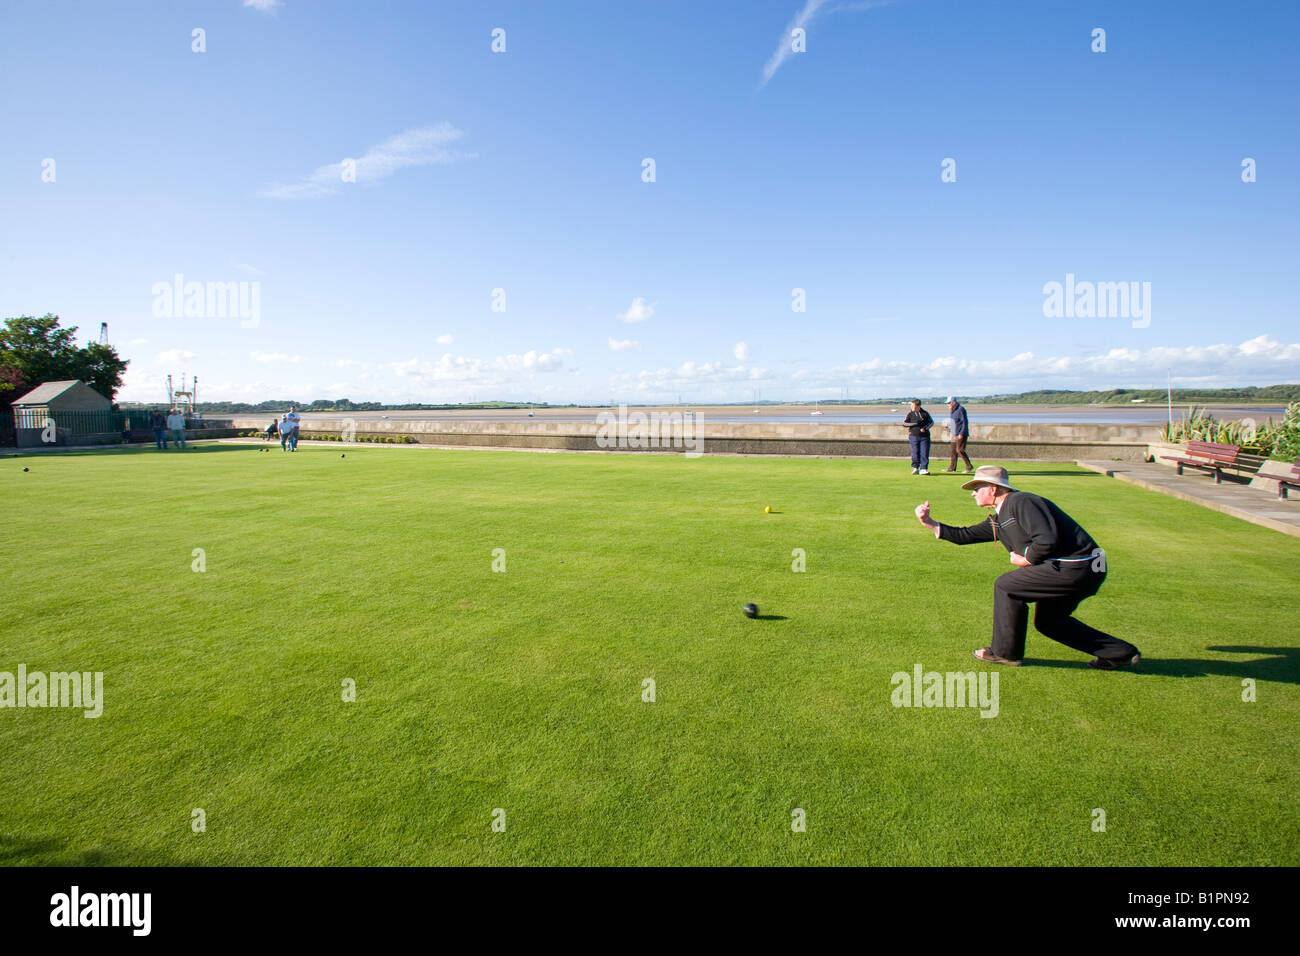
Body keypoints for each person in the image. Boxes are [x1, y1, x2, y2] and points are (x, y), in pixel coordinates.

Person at [913, 465, 1141, 670]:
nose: (973, 492)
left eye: (977, 487)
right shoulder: (999, 519)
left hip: (1080, 566)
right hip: (1080, 569)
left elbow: (1046, 539)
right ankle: (1119, 652)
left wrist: (1025, 560)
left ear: (993, 489)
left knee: (1006, 586)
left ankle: (1004, 653)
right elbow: (964, 535)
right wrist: (929, 523)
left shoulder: (1021, 502)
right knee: (1049, 623)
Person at [902, 399, 933, 475]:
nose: (912, 407)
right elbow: (905, 423)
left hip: (925, 437)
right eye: (911, 405)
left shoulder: (925, 414)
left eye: (913, 406)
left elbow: (931, 422)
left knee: (924, 452)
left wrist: (925, 428)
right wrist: (914, 424)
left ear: (918, 406)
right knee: (915, 452)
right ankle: (915, 468)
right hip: (913, 436)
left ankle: (924, 468)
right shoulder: (910, 414)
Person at [943, 396, 973, 473]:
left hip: (960, 434)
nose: (948, 405)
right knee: (953, 451)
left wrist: (962, 433)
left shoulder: (961, 409)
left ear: (954, 403)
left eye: (949, 403)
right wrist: (948, 428)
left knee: (960, 450)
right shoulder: (952, 410)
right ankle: (952, 467)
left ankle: (969, 466)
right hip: (953, 433)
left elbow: (964, 422)